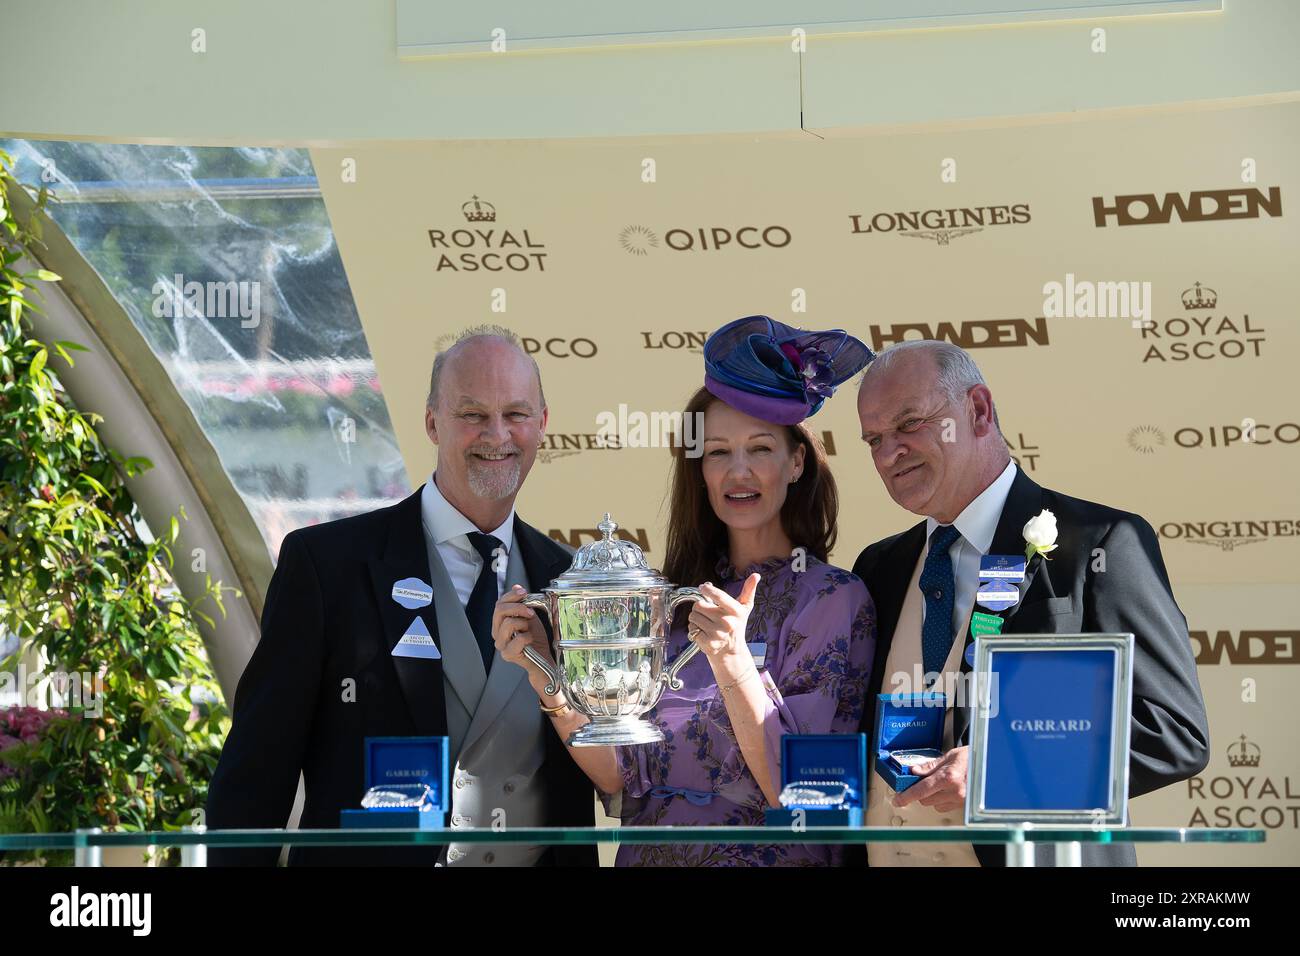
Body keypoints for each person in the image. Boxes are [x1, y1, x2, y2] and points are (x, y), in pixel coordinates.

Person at [206, 326, 596, 866]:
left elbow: (608, 766)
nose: (497, 434)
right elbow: (256, 775)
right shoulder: (326, 566)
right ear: (432, 422)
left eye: (516, 414)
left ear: (543, 425)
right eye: (473, 414)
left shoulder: (573, 585)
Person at [495, 316, 877, 866]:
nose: (738, 471)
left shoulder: (836, 600)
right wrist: (542, 668)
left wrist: (734, 663)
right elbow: (621, 775)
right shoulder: (672, 601)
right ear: (698, 468)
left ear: (797, 462)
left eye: (761, 449)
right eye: (718, 451)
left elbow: (803, 799)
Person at [851, 339, 1210, 867]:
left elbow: (1171, 732)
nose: (888, 454)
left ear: (977, 410)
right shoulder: (877, 568)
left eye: (908, 425)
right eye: (874, 439)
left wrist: (1003, 771)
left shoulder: (1100, 543)